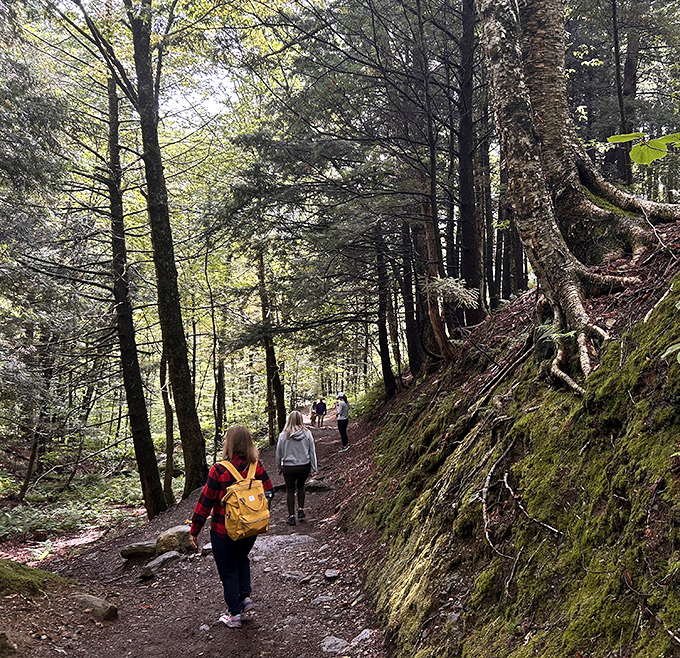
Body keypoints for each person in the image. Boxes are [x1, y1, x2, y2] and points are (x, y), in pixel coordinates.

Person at [189, 425, 273, 629]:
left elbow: (205, 502)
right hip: (250, 528)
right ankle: (245, 598)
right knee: (241, 558)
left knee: (227, 570)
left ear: (232, 443)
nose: (224, 441)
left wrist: (194, 530)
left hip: (223, 530)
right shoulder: (256, 466)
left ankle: (234, 614)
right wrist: (254, 511)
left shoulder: (219, 470)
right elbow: (270, 491)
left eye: (226, 438)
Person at [276, 410, 318, 526]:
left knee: (290, 490)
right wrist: (314, 468)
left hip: (288, 467)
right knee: (300, 487)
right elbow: (312, 452)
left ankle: (291, 516)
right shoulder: (307, 433)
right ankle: (300, 510)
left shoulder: (284, 435)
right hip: (304, 465)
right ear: (301, 420)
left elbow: (279, 453)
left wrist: (279, 467)